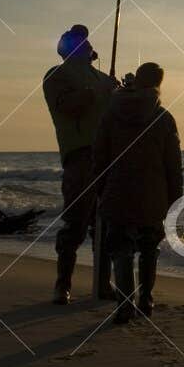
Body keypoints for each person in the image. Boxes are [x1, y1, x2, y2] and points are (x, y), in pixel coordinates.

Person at [91, 62, 182, 324]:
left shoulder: (110, 114)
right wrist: (174, 198)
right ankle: (146, 299)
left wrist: (100, 188)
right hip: (152, 194)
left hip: (117, 190)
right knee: (148, 247)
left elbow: (99, 156)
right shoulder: (164, 118)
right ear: (158, 85)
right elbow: (172, 164)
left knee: (121, 248)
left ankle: (124, 305)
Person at [41, 24, 116, 305]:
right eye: (76, 40)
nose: (83, 43)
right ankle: (63, 284)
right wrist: (97, 91)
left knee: (105, 224)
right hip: (80, 156)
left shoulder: (101, 78)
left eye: (84, 39)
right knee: (75, 222)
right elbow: (68, 106)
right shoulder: (56, 75)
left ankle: (103, 282)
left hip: (108, 157)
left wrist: (120, 92)